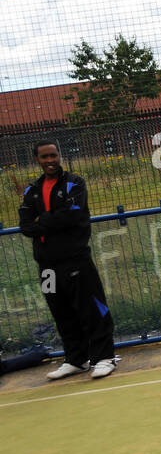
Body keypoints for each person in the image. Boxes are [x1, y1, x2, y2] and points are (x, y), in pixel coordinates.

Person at [17, 141, 117, 381]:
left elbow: (71, 216)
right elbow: (25, 226)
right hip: (47, 266)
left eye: (53, 155)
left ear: (59, 156)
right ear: (37, 160)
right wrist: (50, 221)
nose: (50, 160)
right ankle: (76, 359)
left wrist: (42, 221)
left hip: (75, 260)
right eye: (44, 157)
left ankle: (104, 358)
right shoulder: (31, 191)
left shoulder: (75, 183)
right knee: (60, 311)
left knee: (92, 309)